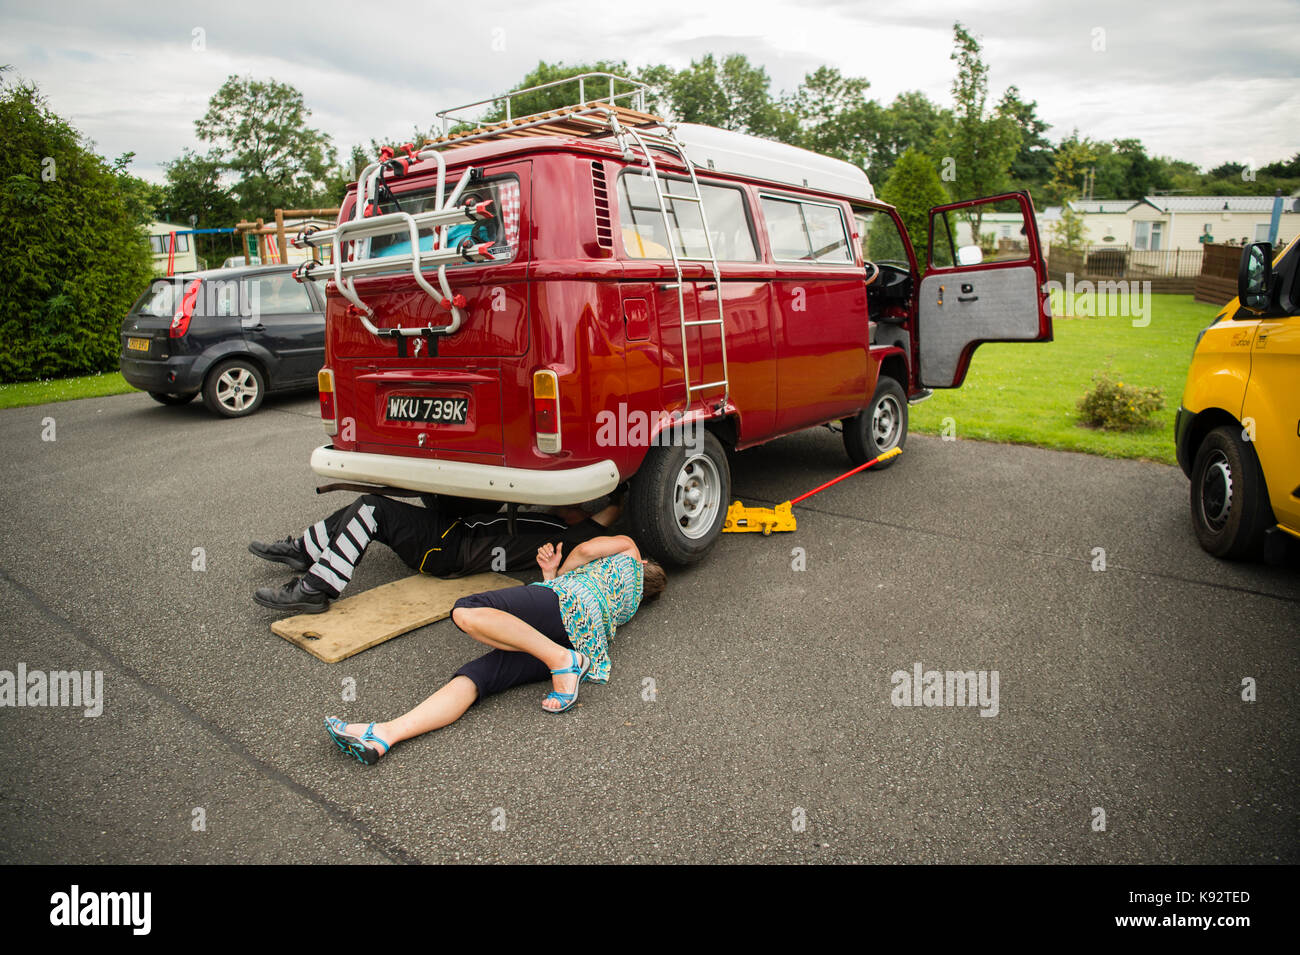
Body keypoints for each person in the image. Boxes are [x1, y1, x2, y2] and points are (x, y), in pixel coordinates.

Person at [322, 535, 667, 765]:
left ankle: (563, 662)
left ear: (644, 563)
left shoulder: (629, 551)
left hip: (569, 604)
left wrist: (559, 572)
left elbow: (586, 552)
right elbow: (556, 620)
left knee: (466, 609)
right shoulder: (630, 603)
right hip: (583, 638)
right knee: (480, 677)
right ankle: (385, 734)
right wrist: (548, 575)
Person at [250, 492, 621, 614]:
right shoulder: (548, 518)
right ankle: (305, 549)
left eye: (582, 506)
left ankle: (316, 588)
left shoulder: (574, 537)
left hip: (449, 547)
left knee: (371, 510)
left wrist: (630, 490)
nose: (571, 506)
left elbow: (610, 517)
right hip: (448, 537)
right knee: (363, 510)